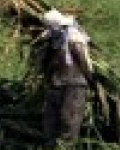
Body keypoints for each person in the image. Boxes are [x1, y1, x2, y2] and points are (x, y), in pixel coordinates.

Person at [39, 9, 94, 147]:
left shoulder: (74, 36)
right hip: (57, 83)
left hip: (74, 84)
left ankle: (65, 146)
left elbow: (82, 59)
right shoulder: (52, 37)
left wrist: (90, 78)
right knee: (51, 120)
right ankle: (51, 145)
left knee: (68, 120)